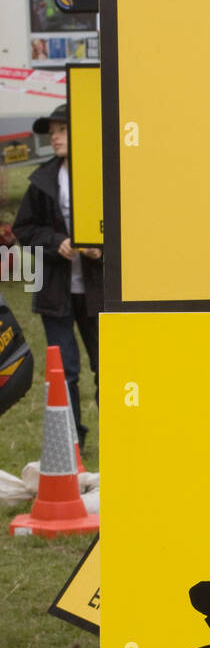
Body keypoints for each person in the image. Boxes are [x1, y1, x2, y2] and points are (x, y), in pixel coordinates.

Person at [12, 103, 103, 451]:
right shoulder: (43, 178)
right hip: (54, 291)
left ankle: (120, 435)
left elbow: (127, 226)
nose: (55, 137)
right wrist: (56, 243)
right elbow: (24, 229)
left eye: (61, 130)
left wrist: (101, 250)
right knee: (65, 370)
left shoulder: (102, 173)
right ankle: (71, 442)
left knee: (108, 368)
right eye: (52, 132)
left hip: (99, 291)